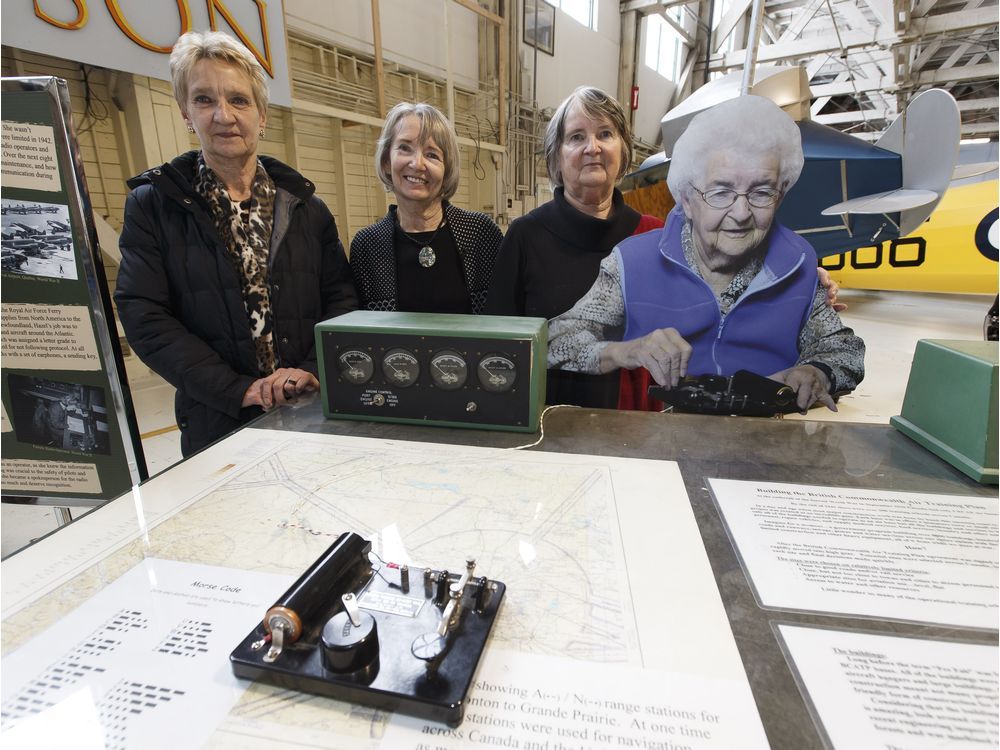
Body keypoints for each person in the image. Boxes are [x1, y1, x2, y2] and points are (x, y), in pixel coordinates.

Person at [115, 31, 358, 456]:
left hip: (310, 409)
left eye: (239, 100)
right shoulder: (153, 207)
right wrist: (238, 390)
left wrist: (312, 371)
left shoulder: (307, 207)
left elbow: (340, 298)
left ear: (262, 116)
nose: (223, 115)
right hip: (216, 418)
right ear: (186, 113)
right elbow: (144, 314)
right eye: (204, 100)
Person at [547, 96, 864, 413]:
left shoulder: (797, 267)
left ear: (780, 196)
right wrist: (625, 351)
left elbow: (844, 349)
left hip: (764, 445)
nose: (741, 213)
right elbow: (555, 342)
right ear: (686, 198)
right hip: (657, 447)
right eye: (720, 192)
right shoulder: (632, 263)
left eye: (762, 192)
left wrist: (817, 372)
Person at [485, 86, 664, 408]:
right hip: (546, 420)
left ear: (623, 150)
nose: (592, 147)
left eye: (605, 134)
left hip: (633, 428)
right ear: (556, 155)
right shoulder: (525, 236)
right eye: (577, 137)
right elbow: (500, 347)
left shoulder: (653, 237)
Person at [350, 102, 503, 314]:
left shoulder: (480, 233)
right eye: (405, 148)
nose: (417, 163)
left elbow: (505, 316)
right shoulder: (367, 245)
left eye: (432, 154)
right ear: (386, 160)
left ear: (446, 168)